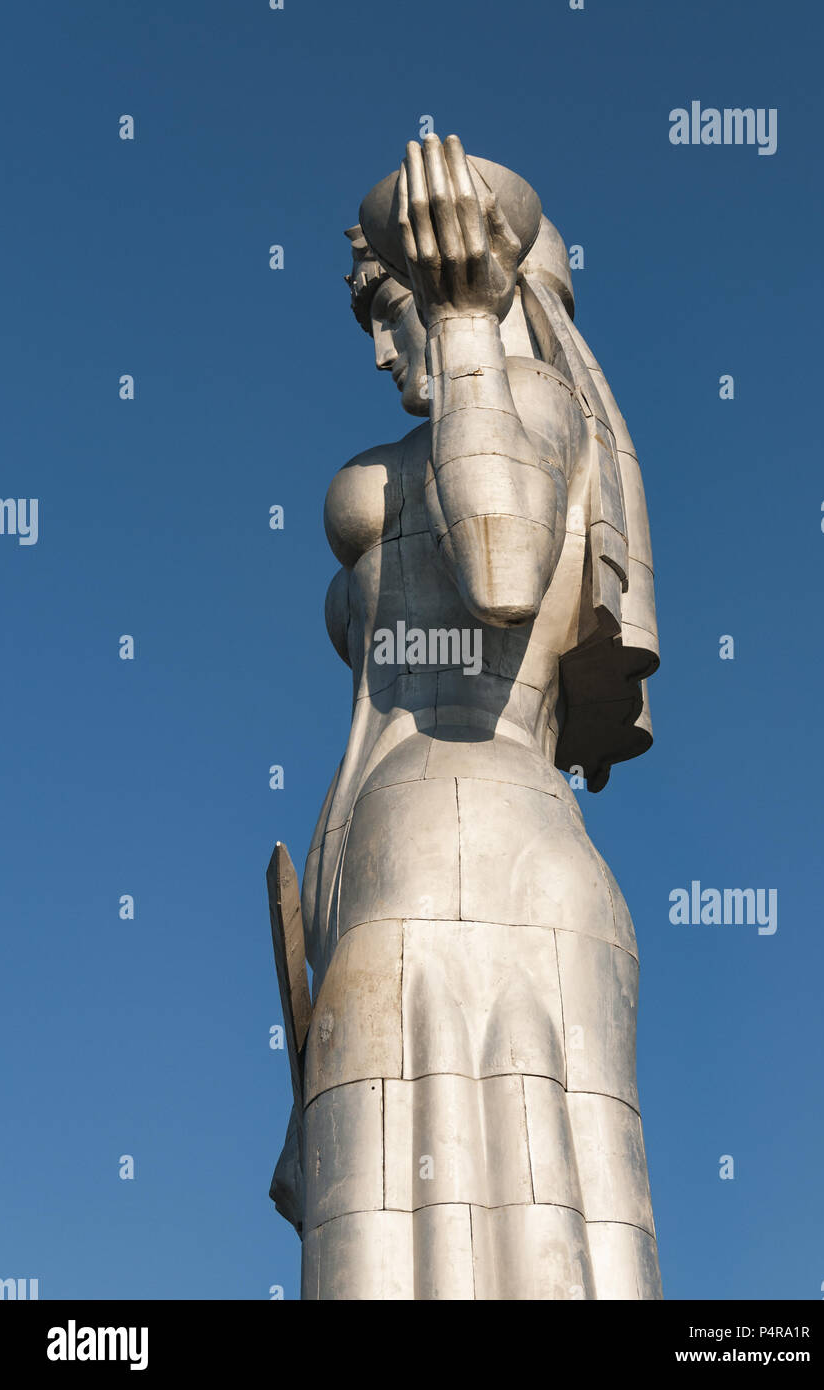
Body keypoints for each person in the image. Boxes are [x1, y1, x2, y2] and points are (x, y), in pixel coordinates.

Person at [273, 134, 661, 1300]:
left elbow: (497, 565)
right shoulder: (468, 417)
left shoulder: (532, 405)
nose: (384, 344)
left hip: (480, 876)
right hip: (397, 878)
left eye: (389, 307)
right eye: (380, 318)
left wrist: (462, 322)